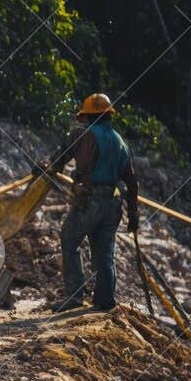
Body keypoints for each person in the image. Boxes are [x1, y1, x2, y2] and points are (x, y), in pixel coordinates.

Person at [38, 93, 139, 312]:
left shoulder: (82, 134)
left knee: (70, 240)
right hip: (113, 205)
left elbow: (58, 160)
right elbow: (132, 181)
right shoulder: (121, 142)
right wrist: (133, 214)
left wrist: (43, 168)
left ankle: (74, 297)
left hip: (90, 201)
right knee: (104, 253)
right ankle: (104, 301)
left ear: (88, 116)